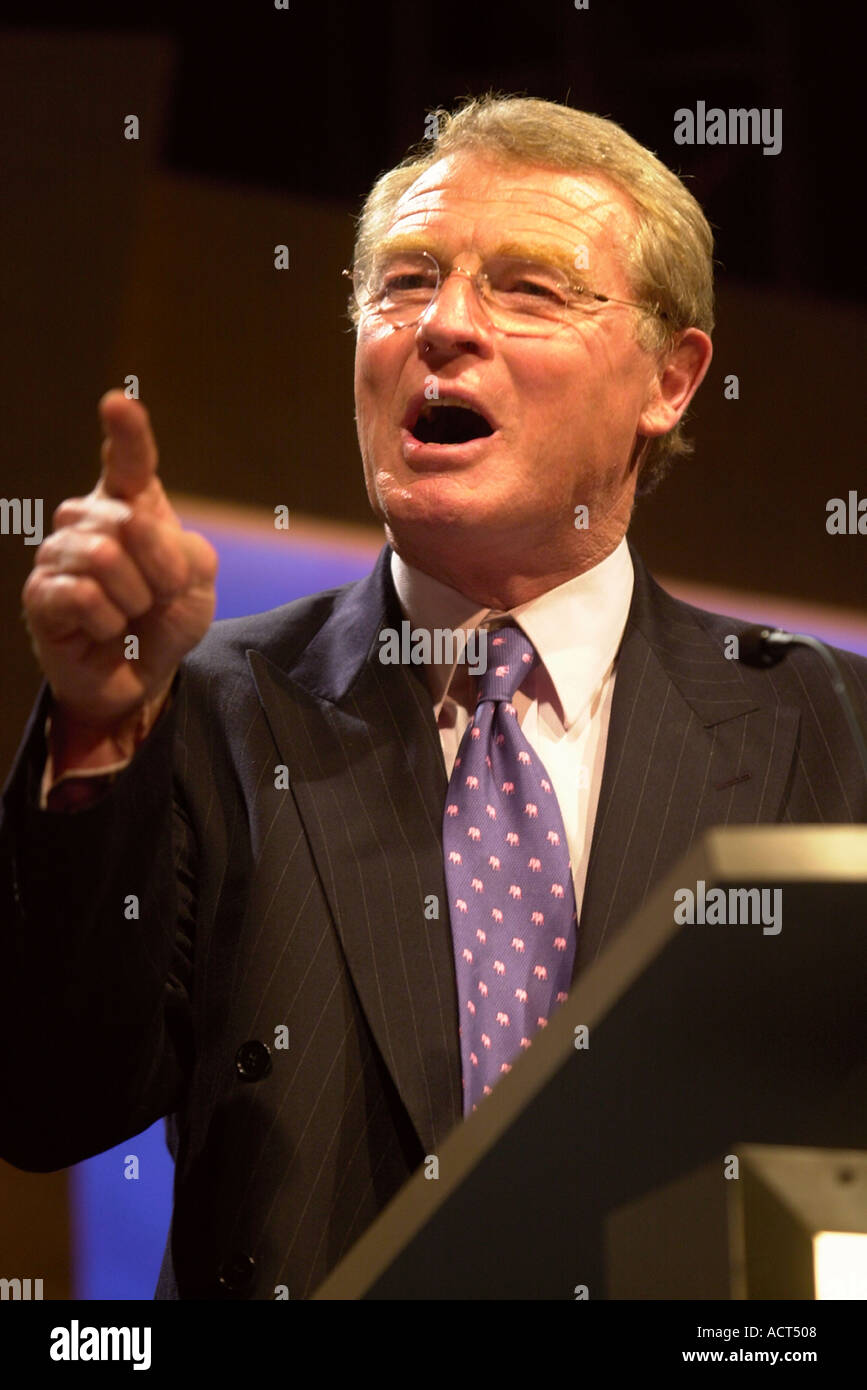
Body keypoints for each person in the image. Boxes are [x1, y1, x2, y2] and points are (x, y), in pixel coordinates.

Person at [1, 95, 865, 1301]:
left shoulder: (829, 723)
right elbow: (47, 1102)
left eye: (531, 288)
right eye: (403, 282)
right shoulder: (204, 708)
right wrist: (97, 726)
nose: (445, 325)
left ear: (670, 380)